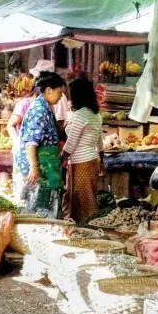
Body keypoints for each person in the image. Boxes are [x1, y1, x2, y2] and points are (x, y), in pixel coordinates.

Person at [15, 73, 66, 218]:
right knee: (38, 210)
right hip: (41, 168)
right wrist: (34, 167)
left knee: (44, 207)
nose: (61, 96)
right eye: (59, 92)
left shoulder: (45, 108)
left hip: (47, 165)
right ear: (49, 90)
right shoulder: (39, 110)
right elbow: (31, 143)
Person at [63, 75, 102, 224]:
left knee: (82, 200)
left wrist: (61, 158)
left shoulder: (80, 115)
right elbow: (99, 141)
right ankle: (90, 228)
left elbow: (71, 143)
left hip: (81, 163)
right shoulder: (95, 114)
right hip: (92, 161)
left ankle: (87, 230)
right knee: (89, 198)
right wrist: (102, 161)